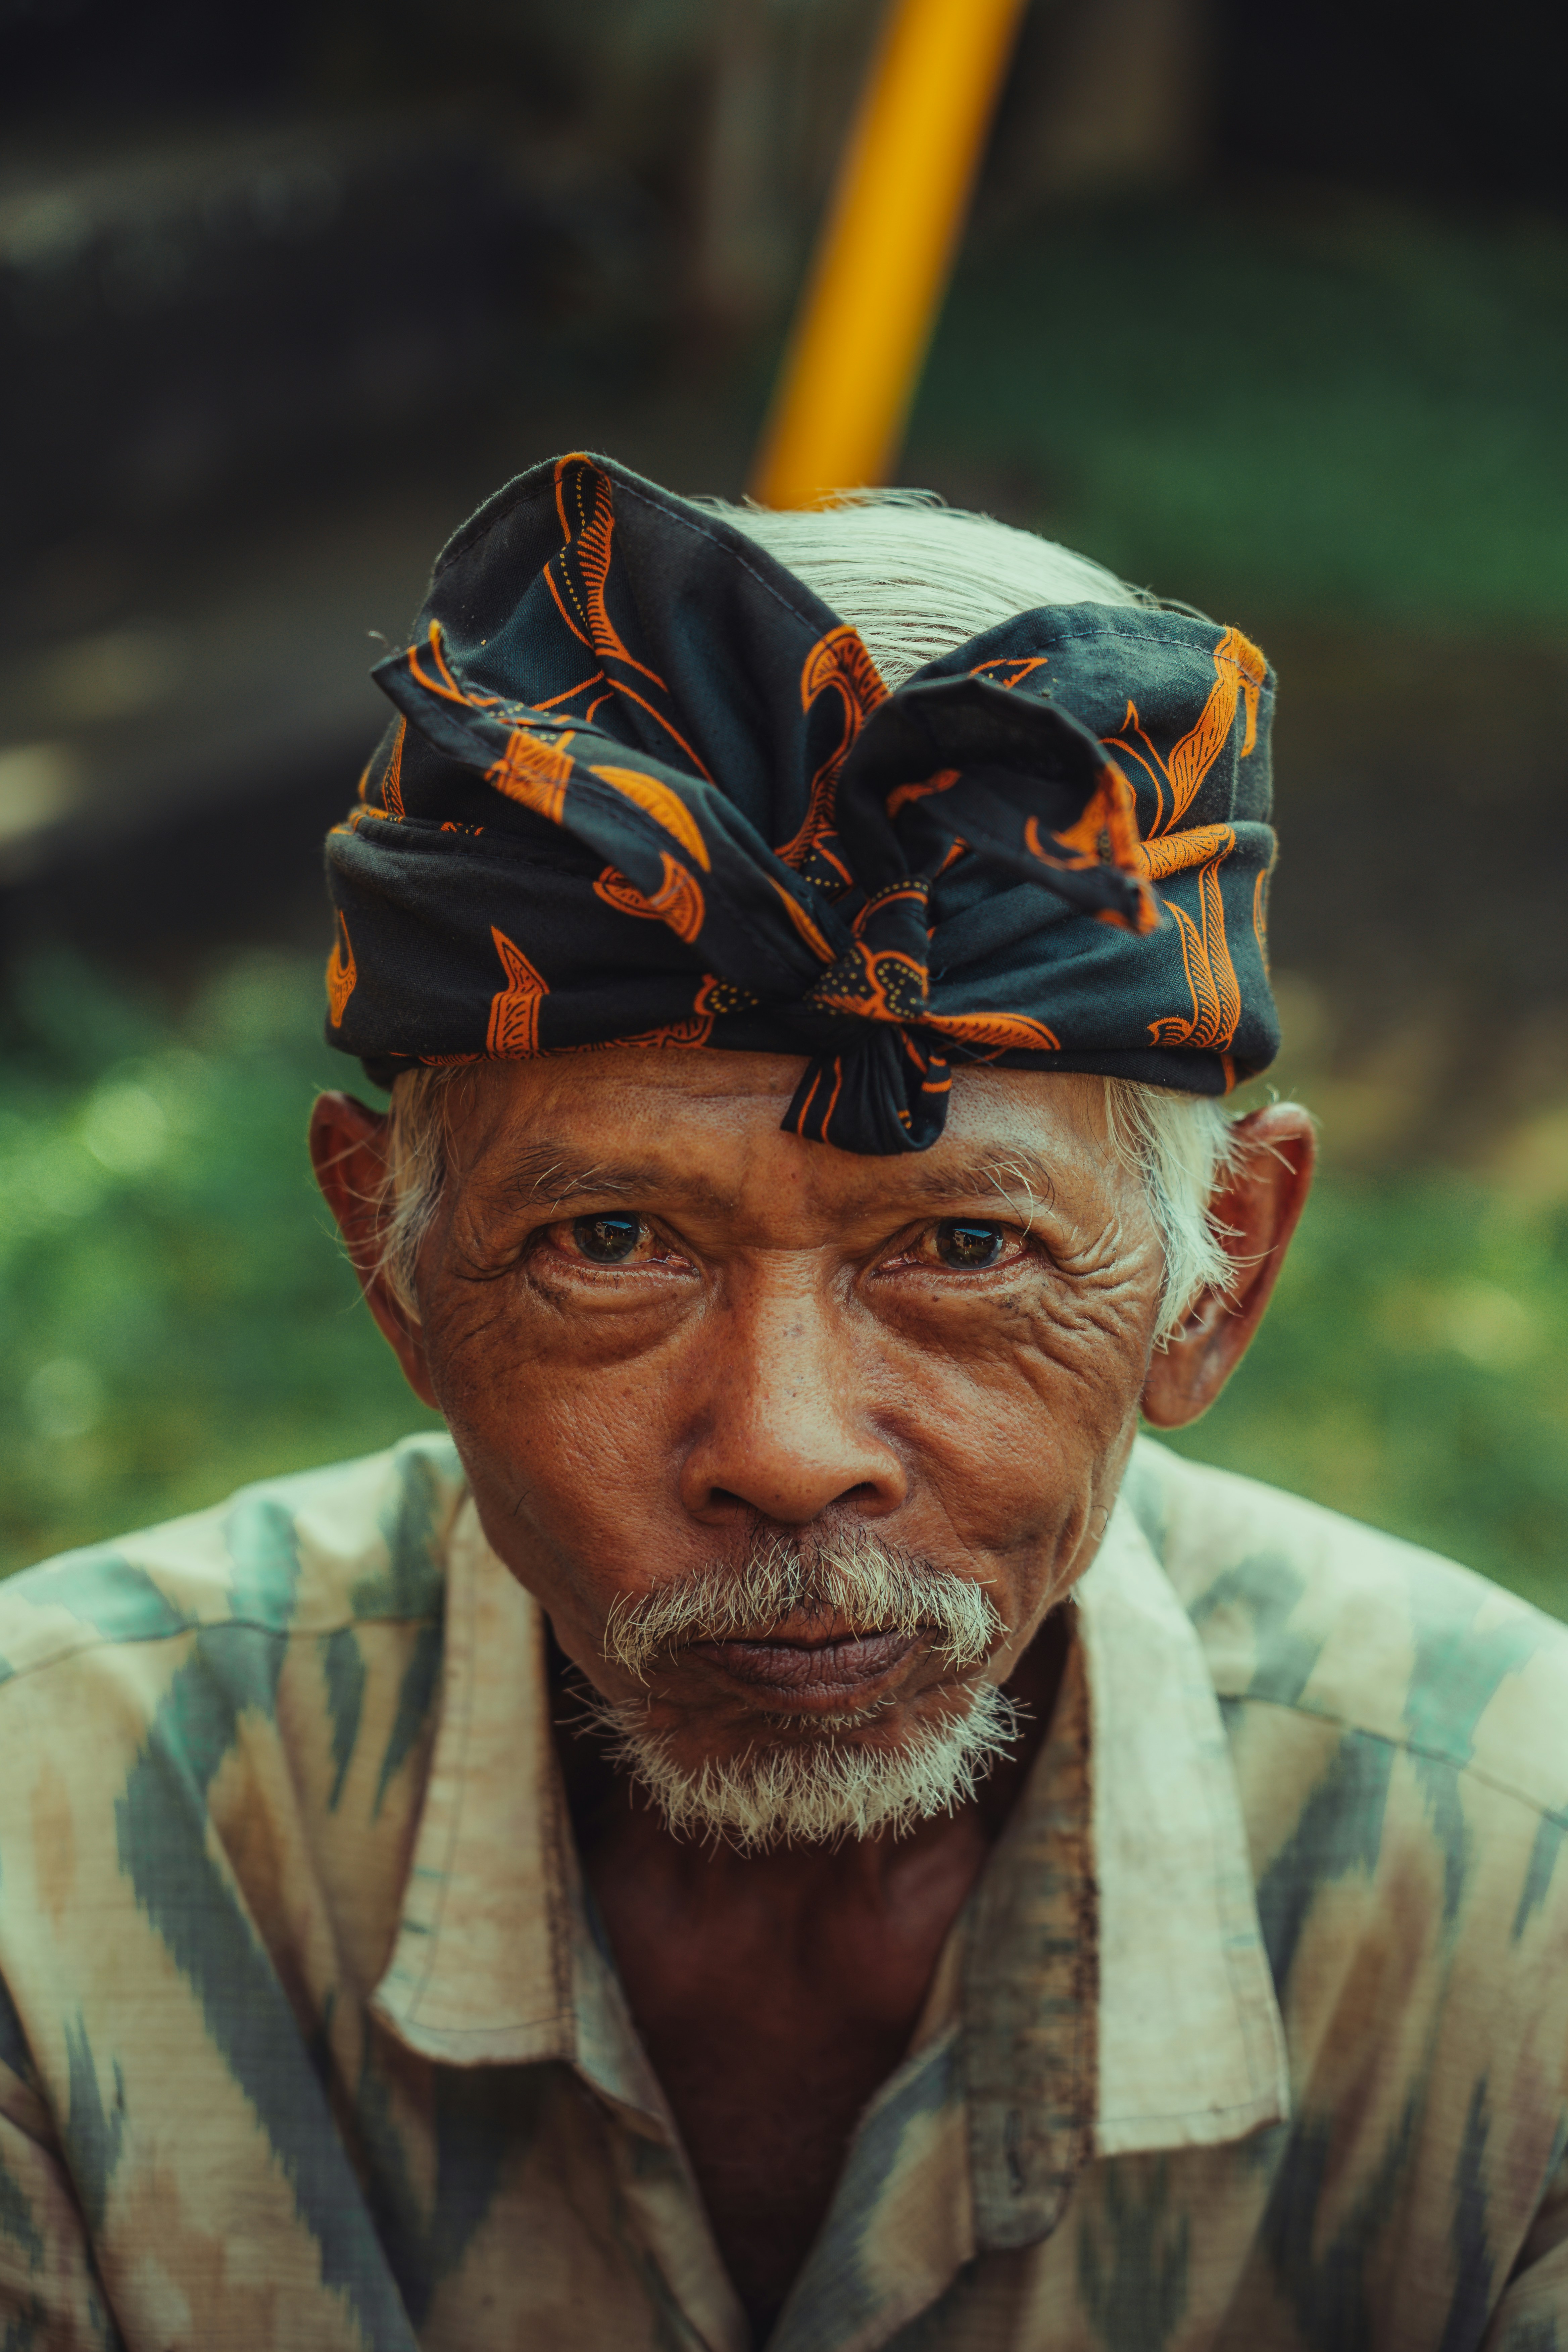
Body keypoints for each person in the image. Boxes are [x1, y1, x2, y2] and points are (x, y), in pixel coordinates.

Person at [0, 453, 1563, 2352]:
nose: (786, 1446)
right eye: (610, 1240)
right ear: (390, 1260)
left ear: (1214, 1271)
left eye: (968, 1248)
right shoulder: (45, 1851)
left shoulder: (1521, 1906)